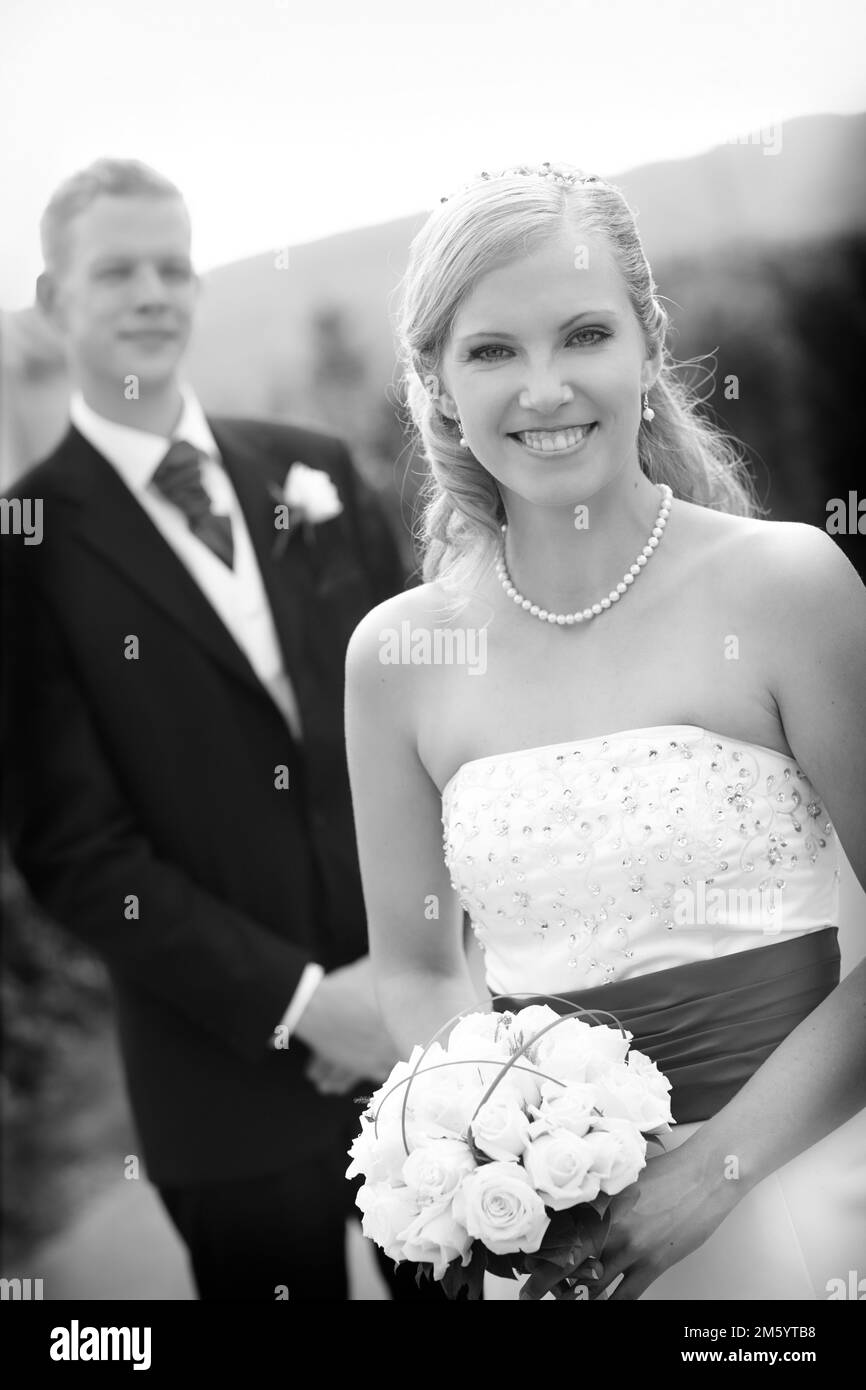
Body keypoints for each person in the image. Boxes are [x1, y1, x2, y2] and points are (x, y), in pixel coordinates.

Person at [344, 162, 866, 1299]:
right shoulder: (393, 659)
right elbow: (417, 972)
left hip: (803, 1212)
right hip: (557, 1248)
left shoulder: (787, 586)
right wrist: (514, 1156)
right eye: (490, 351)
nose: (543, 388)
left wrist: (709, 1178)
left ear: (645, 345)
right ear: (434, 383)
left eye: (582, 334)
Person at [0, 157, 440, 1301]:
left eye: (173, 266)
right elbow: (73, 853)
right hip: (222, 1085)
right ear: (56, 302)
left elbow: (419, 732)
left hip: (424, 1034)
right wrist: (302, 1002)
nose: (153, 292)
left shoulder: (314, 471)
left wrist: (425, 966)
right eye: (117, 271)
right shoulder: (26, 546)